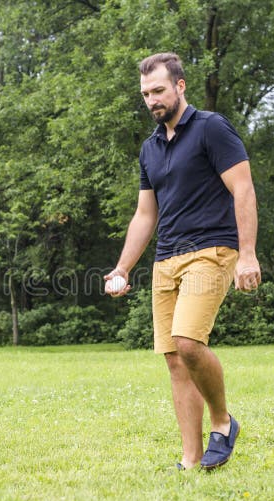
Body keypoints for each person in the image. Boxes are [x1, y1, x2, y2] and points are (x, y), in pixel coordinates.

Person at [104, 52, 261, 470]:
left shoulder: (211, 128)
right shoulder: (150, 148)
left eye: (158, 90)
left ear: (180, 86)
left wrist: (248, 254)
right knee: (174, 359)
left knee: (190, 343)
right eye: (145, 94)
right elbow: (145, 215)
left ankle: (223, 423)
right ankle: (190, 460)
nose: (152, 100)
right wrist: (122, 267)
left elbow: (242, 189)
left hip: (213, 250)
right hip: (166, 259)